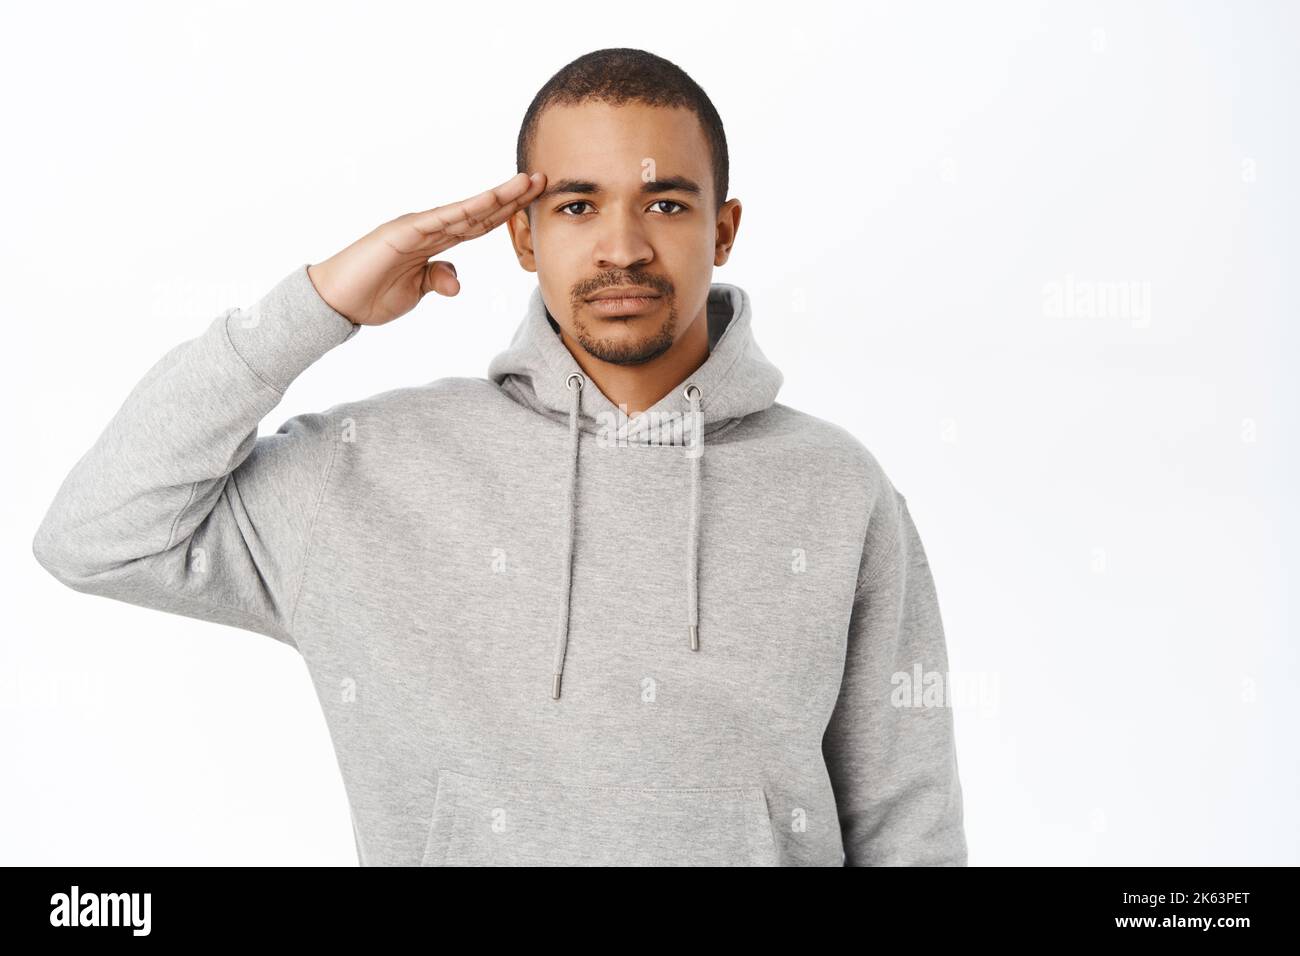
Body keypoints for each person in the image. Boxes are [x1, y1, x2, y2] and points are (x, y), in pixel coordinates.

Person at [31, 48, 967, 866]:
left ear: (721, 228)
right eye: (576, 204)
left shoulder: (837, 488)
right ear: (523, 234)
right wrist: (319, 305)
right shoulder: (366, 468)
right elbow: (97, 535)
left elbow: (905, 820)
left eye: (665, 203)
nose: (623, 247)